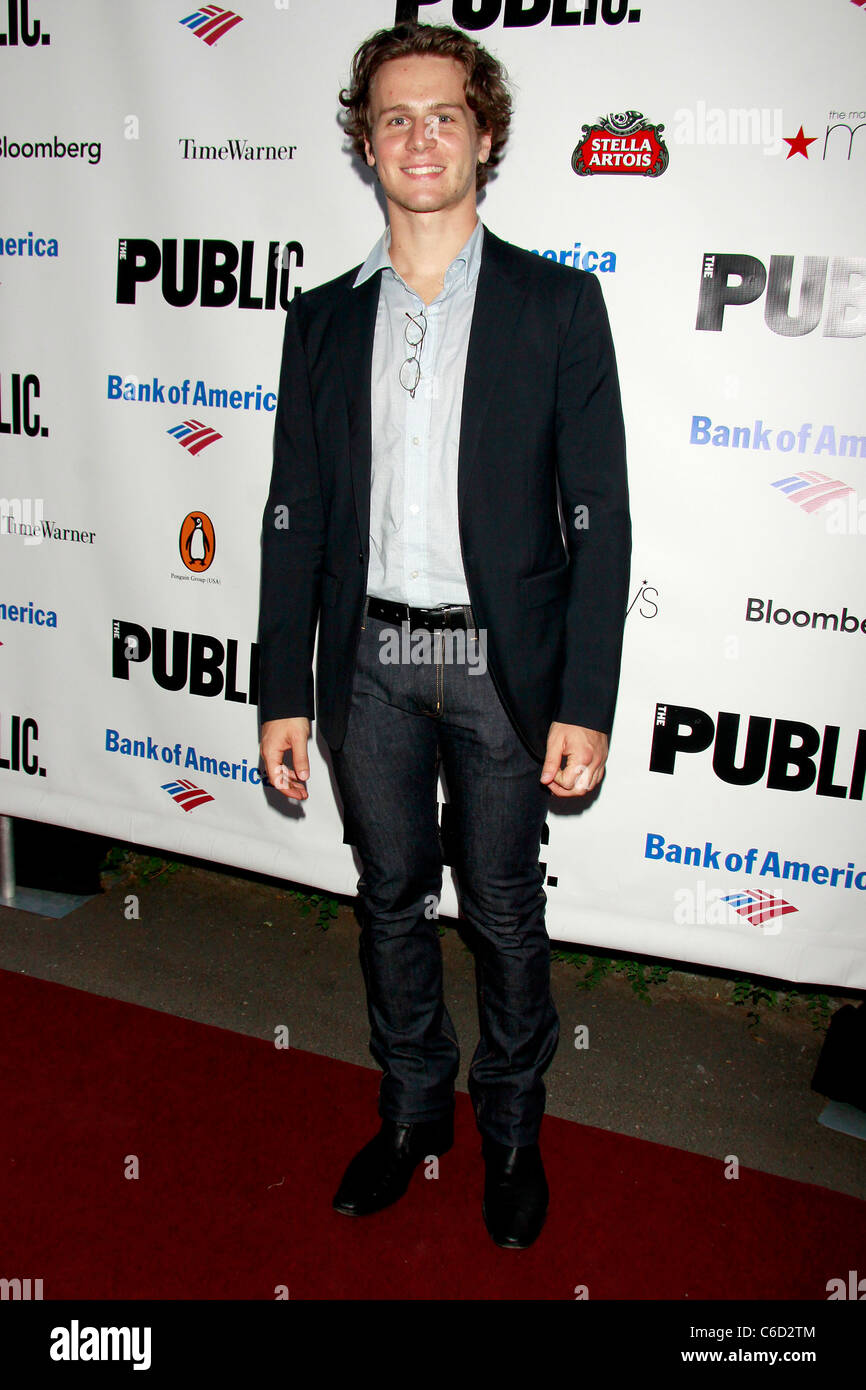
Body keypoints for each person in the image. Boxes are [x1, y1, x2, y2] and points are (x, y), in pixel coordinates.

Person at [258, 19, 630, 1250]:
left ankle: (512, 1126)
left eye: (445, 115)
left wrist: (583, 698)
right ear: (366, 145)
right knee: (386, 895)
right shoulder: (320, 320)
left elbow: (601, 522)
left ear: (485, 134)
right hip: (367, 659)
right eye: (395, 117)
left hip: (493, 666)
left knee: (506, 909)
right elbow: (292, 519)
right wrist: (280, 689)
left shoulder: (557, 305)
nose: (421, 137)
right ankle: (414, 1106)